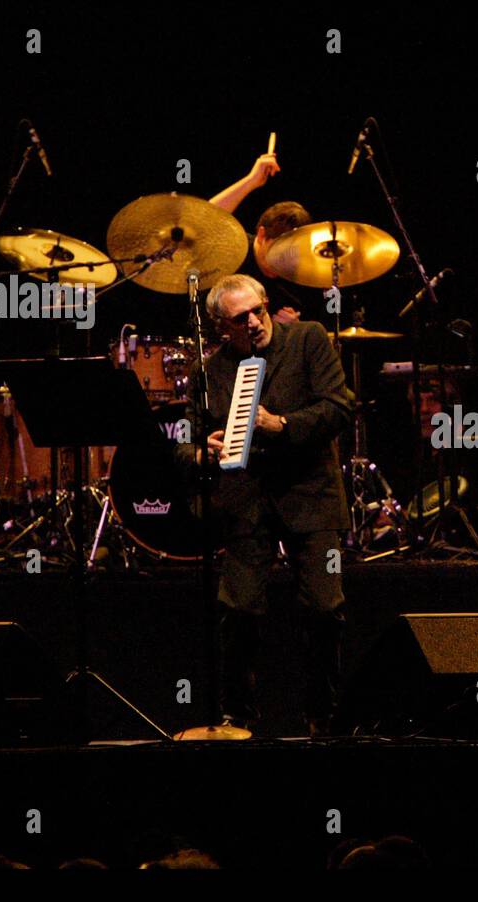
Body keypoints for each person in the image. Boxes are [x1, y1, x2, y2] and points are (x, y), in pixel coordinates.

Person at [180, 274, 354, 735]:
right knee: (236, 610)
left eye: (258, 310)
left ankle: (322, 717)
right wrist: (203, 448)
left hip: (309, 494)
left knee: (323, 607)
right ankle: (238, 719)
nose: (254, 322)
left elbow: (340, 407)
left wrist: (281, 424)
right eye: (241, 318)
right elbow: (185, 437)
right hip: (247, 501)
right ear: (223, 326)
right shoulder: (211, 370)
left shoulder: (308, 339)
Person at [209, 151, 314, 323]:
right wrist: (252, 180)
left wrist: (295, 330)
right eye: (277, 252)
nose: (282, 263)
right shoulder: (234, 248)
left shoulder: (299, 277)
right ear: (261, 234)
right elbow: (201, 221)